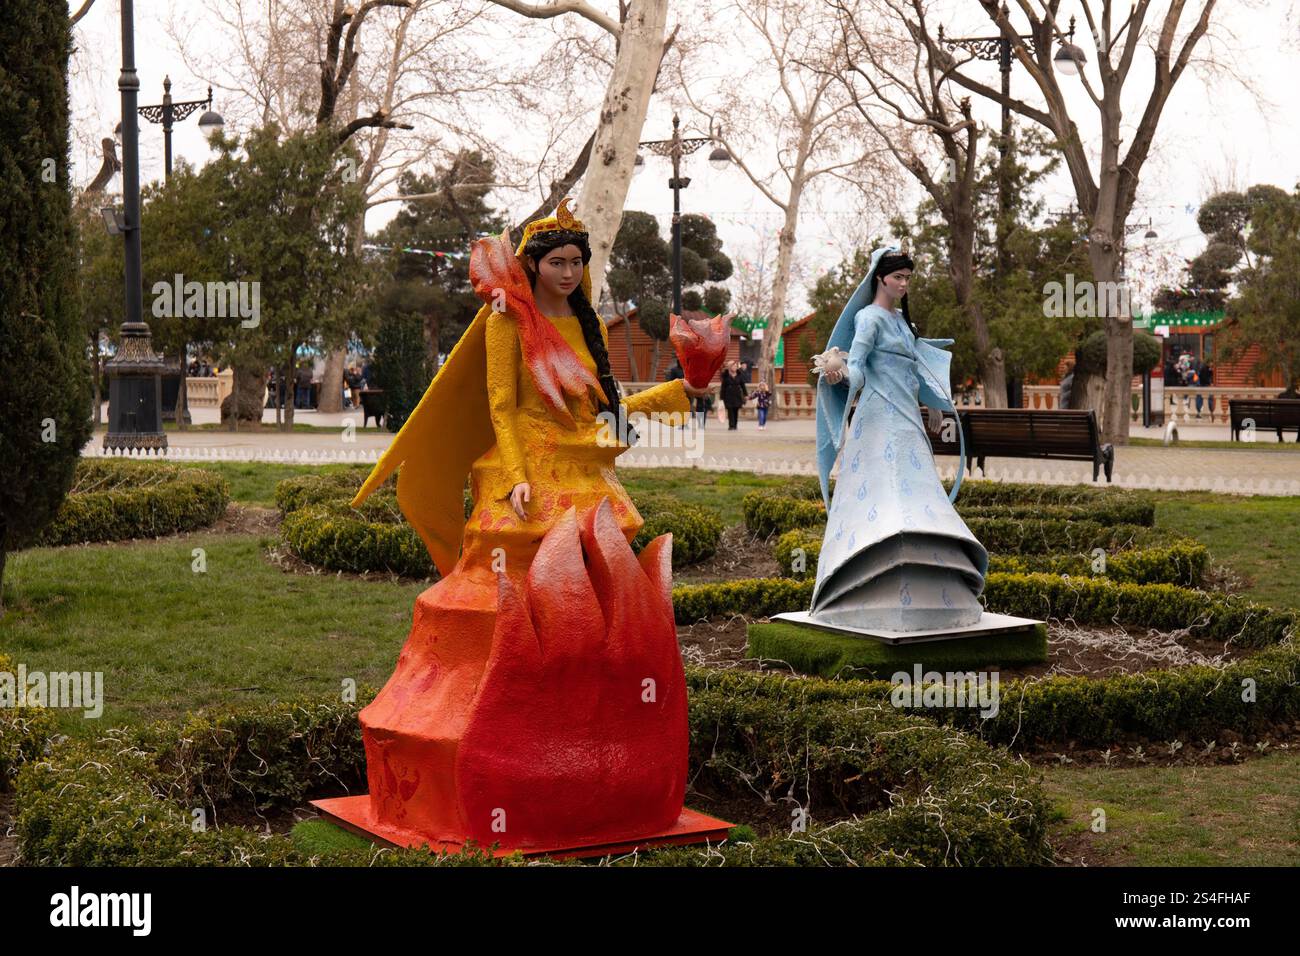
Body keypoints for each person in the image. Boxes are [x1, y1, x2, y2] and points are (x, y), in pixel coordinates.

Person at [809, 246, 988, 632]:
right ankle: (868, 574)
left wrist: (935, 404)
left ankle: (927, 574)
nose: (904, 284)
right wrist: (840, 376)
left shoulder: (903, 324)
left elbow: (915, 369)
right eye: (898, 278)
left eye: (908, 278)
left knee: (918, 488)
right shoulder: (868, 318)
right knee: (884, 491)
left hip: (908, 419)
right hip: (879, 418)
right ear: (880, 278)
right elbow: (857, 366)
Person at [720, 359, 748, 430]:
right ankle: (731, 425)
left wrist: (745, 394)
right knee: (730, 411)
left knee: (736, 410)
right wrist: (721, 398)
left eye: (736, 366)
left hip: (737, 395)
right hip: (728, 396)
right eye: (733, 366)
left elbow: (743, 386)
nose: (735, 367)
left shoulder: (739, 375)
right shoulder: (725, 376)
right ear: (729, 367)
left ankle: (735, 425)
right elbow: (723, 388)